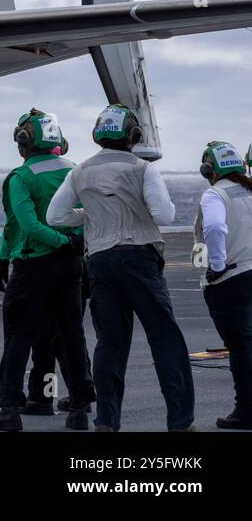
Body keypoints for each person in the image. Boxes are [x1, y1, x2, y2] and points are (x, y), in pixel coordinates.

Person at [47, 104, 195, 432]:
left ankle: (106, 422)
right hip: (139, 258)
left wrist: (90, 215)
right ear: (133, 136)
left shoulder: (80, 171)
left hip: (99, 261)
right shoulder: (143, 168)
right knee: (165, 338)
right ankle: (180, 422)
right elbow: (164, 215)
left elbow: (54, 217)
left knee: (110, 344)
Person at [0, 109, 95, 432]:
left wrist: (2, 257)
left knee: (19, 337)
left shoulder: (21, 177)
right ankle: (79, 408)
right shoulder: (76, 171)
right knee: (71, 338)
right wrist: (71, 242)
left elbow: (22, 225)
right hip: (71, 267)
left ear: (24, 141)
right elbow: (87, 213)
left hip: (34, 265)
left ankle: (10, 409)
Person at [192, 141, 252, 430]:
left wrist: (216, 266)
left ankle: (246, 410)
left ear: (209, 168)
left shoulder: (214, 194)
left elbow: (214, 228)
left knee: (240, 347)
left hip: (231, 280)